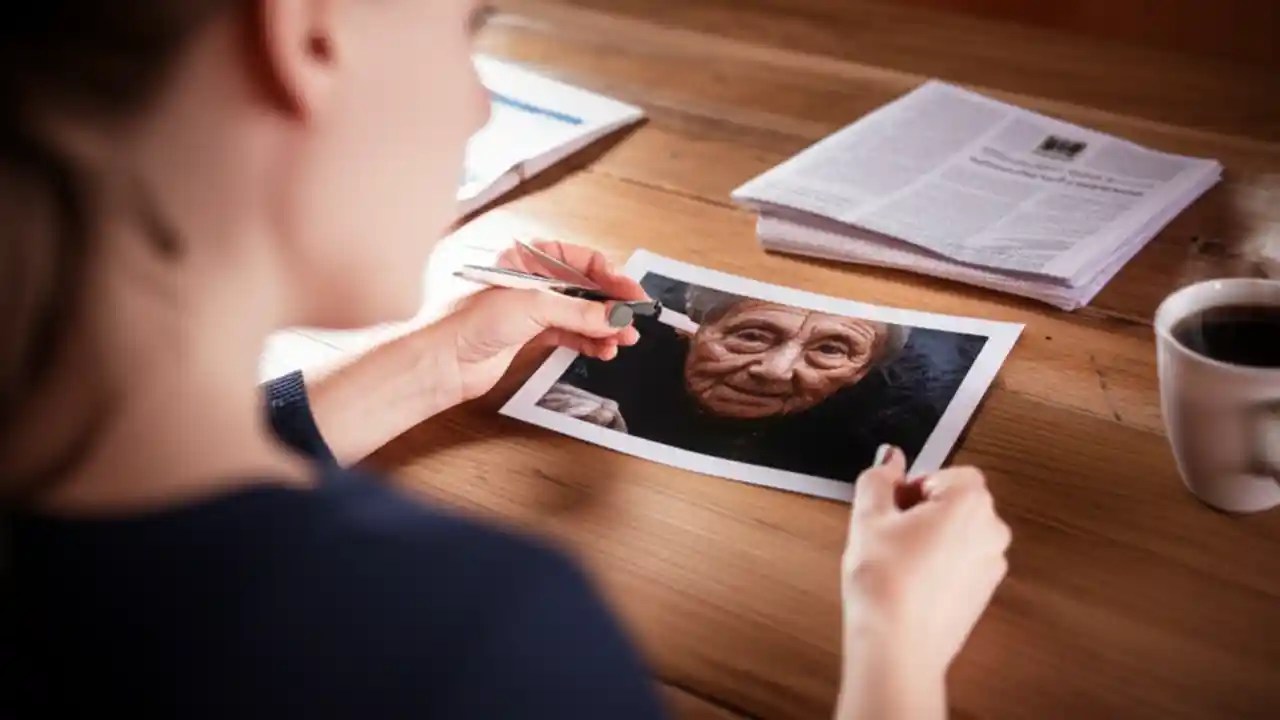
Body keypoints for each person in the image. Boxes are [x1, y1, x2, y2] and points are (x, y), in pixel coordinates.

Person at [0, 1, 1010, 718]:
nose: (477, 108)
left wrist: (425, 366)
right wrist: (895, 649)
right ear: (309, 32)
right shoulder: (467, 639)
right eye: (464, 27)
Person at [538, 284, 984, 478]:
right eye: (752, 335)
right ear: (688, 328)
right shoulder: (613, 337)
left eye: (830, 350)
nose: (776, 371)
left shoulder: (893, 425)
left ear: (862, 372)